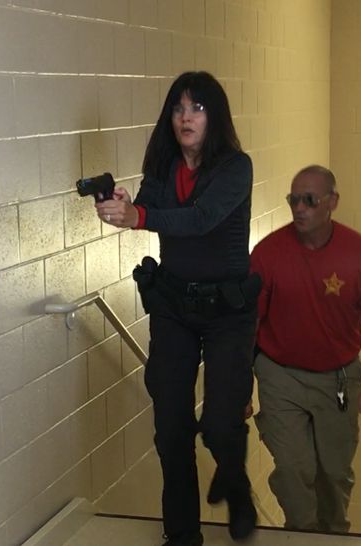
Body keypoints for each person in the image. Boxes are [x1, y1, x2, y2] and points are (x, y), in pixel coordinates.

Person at [96, 71, 259, 546]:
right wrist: (125, 204)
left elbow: (201, 219)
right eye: (178, 109)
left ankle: (236, 484)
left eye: (197, 108)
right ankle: (183, 536)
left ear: (215, 117)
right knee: (171, 428)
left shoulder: (235, 167)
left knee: (217, 423)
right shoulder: (164, 166)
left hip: (228, 310)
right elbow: (147, 209)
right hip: (174, 306)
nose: (186, 118)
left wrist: (140, 215)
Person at [249, 164, 361, 533]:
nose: (299, 208)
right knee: (294, 468)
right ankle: (302, 534)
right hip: (280, 374)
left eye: (309, 200)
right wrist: (236, 386)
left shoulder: (359, 253)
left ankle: (332, 534)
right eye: (293, 200)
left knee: (333, 472)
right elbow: (245, 326)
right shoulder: (268, 253)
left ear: (332, 202)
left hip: (339, 378)